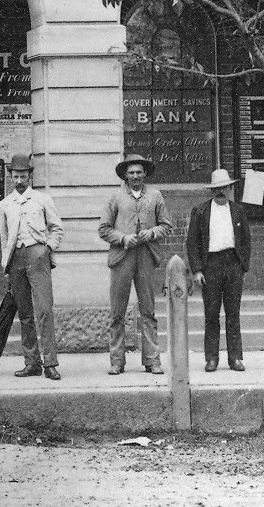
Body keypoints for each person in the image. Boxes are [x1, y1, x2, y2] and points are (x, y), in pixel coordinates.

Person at [98, 154, 172, 375]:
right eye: (131, 172)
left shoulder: (155, 196)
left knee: (148, 310)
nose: (135, 176)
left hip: (146, 256)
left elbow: (166, 225)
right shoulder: (116, 197)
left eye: (139, 172)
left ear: (145, 174)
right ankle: (117, 361)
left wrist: (152, 233)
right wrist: (122, 238)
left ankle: (152, 360)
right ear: (125, 175)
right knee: (117, 312)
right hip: (122, 257)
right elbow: (103, 229)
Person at [0, 154, 63, 380]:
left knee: (44, 310)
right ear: (10, 177)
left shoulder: (43, 199)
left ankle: (50, 363)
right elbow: (4, 238)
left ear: (30, 175)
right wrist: (6, 265)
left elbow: (57, 229)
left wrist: (47, 249)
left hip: (38, 255)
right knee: (24, 313)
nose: (19, 180)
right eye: (15, 176)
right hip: (16, 259)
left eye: (23, 176)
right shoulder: (4, 204)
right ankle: (31, 362)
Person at [184, 166, 253, 372]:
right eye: (217, 189)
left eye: (224, 188)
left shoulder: (238, 211)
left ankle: (235, 358)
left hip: (232, 264)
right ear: (211, 191)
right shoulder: (201, 211)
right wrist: (197, 270)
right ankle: (211, 358)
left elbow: (246, 241)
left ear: (230, 188)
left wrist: (242, 267)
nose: (221, 193)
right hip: (210, 265)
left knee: (233, 313)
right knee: (211, 314)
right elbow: (192, 242)